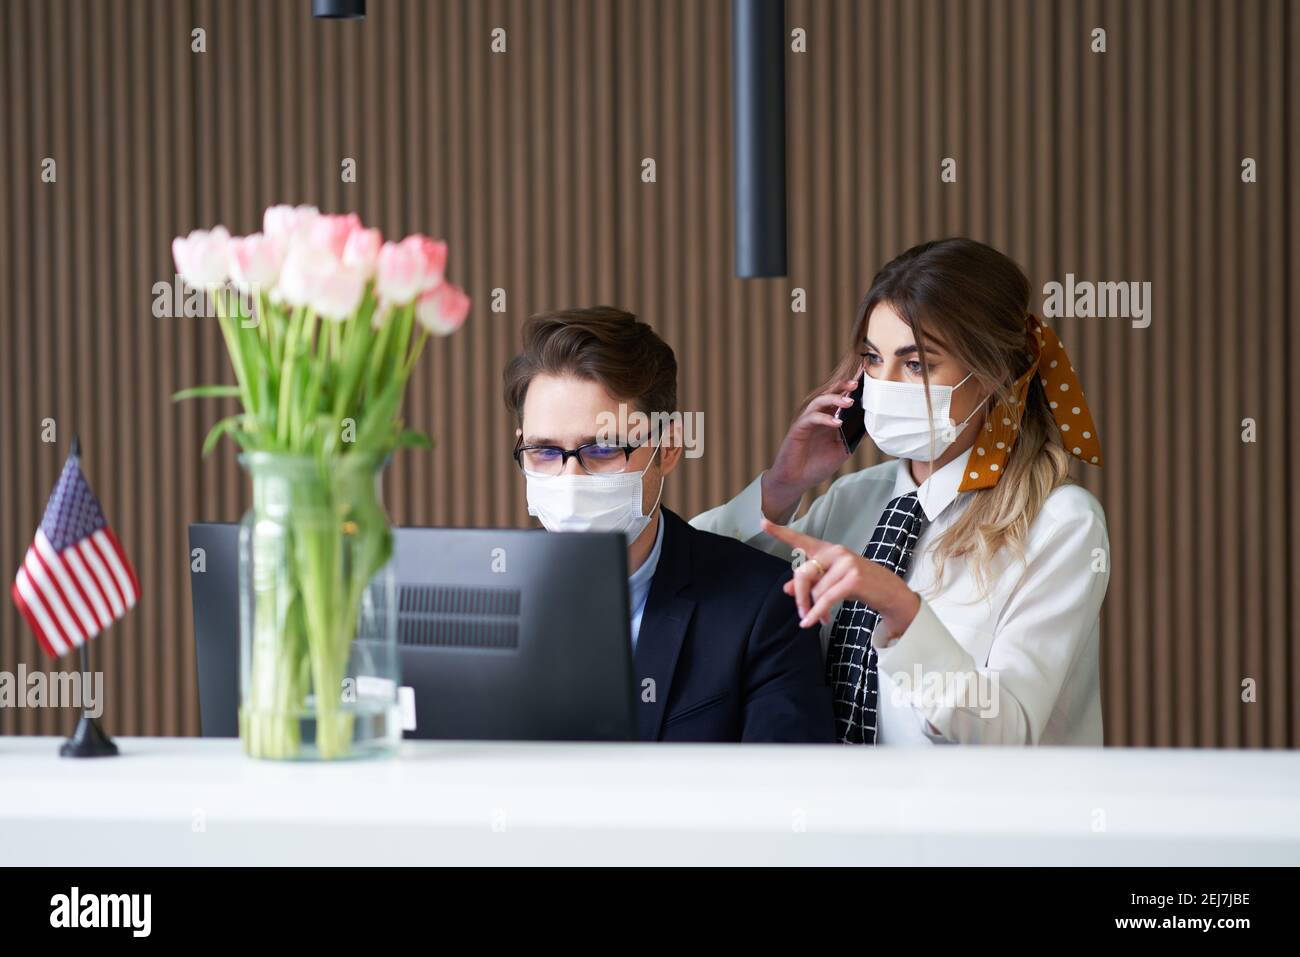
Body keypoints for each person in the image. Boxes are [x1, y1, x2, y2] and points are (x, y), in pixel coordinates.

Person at [693, 238, 1109, 746]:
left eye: (917, 364)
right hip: (842, 814)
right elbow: (693, 577)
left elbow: (1008, 733)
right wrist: (783, 483)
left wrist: (901, 609)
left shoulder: (1062, 523)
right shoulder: (852, 500)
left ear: (997, 371)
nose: (882, 385)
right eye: (872, 358)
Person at [503, 306, 834, 742]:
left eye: (603, 450)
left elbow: (788, 797)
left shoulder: (763, 607)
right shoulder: (487, 598)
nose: (571, 480)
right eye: (544, 452)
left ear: (670, 447)